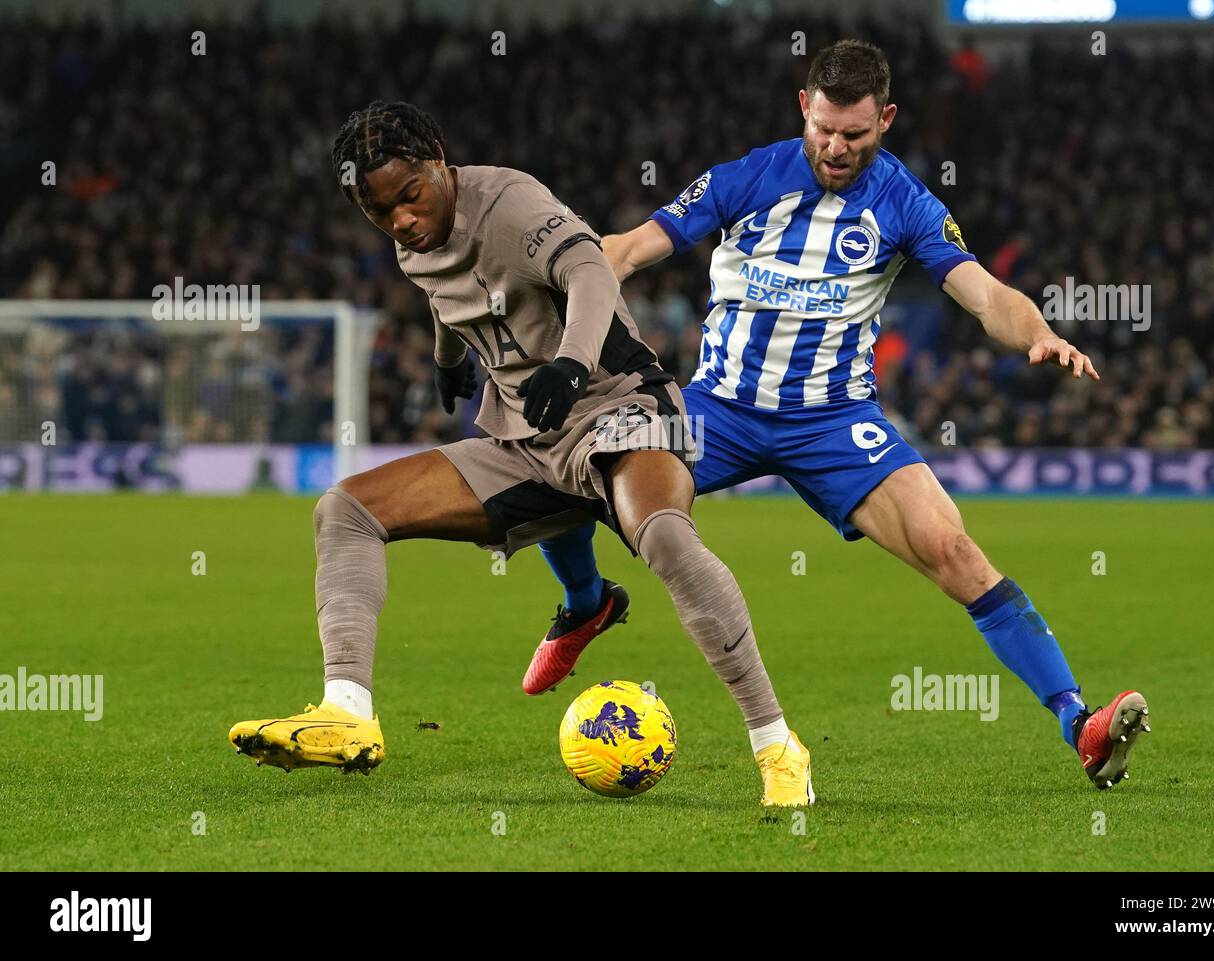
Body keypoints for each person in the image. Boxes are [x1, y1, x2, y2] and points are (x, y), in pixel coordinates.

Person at [530, 41, 1149, 791]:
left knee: (952, 548)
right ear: (804, 107)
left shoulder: (905, 203)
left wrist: (1041, 332)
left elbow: (986, 296)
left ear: (885, 119)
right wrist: (554, 281)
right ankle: (586, 603)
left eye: (855, 135)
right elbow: (627, 249)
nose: (835, 147)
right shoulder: (747, 177)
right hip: (714, 411)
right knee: (555, 465)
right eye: (825, 128)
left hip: (833, 421)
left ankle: (1077, 720)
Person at [227, 101, 814, 807]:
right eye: (381, 213)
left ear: (439, 160)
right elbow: (449, 300)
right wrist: (449, 361)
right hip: (527, 438)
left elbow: (591, 271)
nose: (402, 221)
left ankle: (777, 744)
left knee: (662, 535)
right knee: (346, 508)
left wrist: (569, 365)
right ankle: (347, 711)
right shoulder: (409, 240)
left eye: (411, 196)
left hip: (617, 406)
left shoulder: (508, 201)